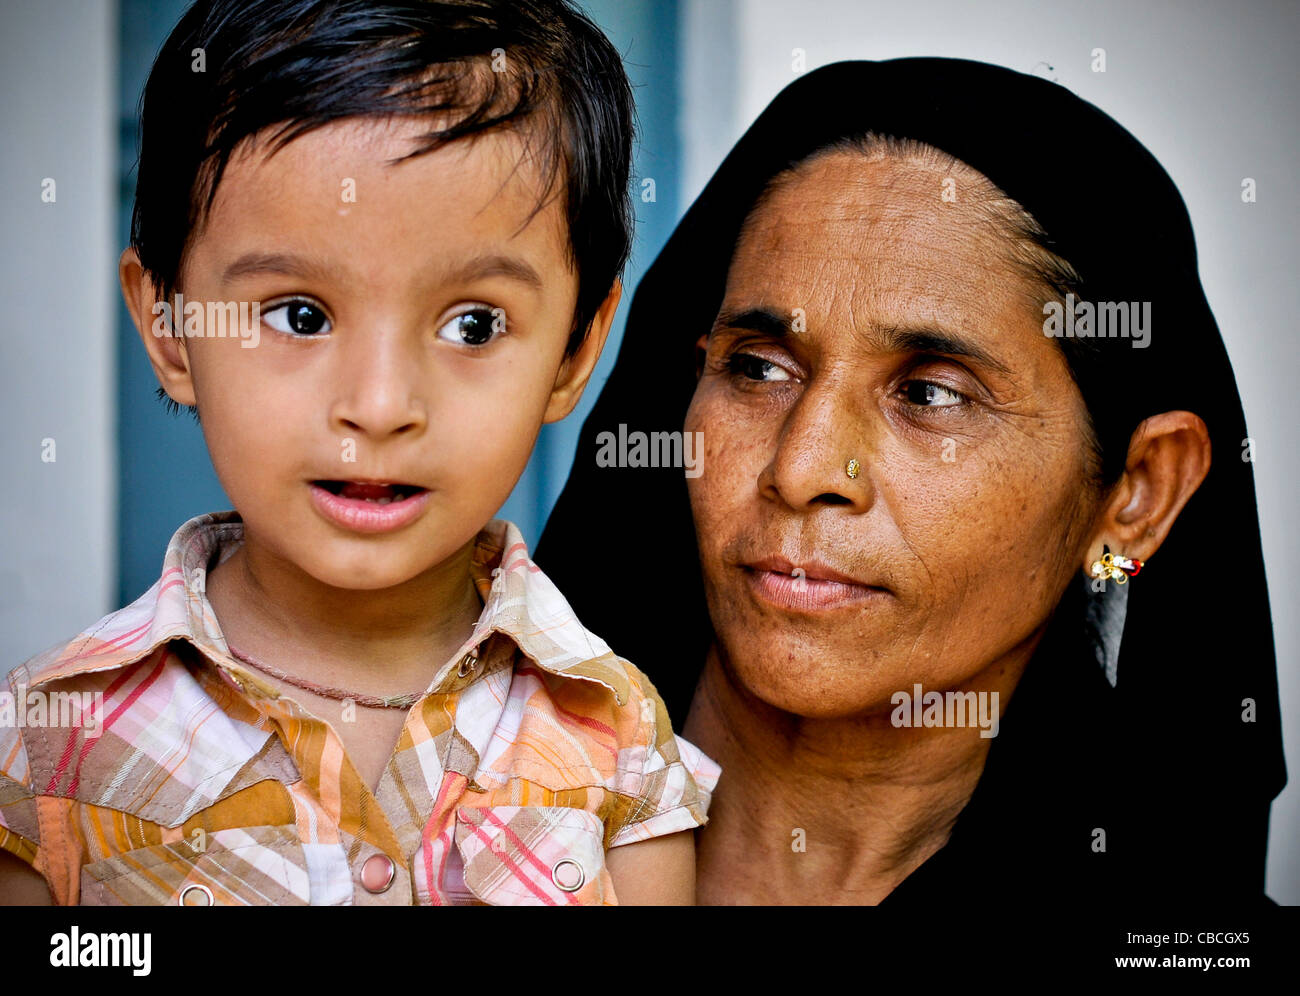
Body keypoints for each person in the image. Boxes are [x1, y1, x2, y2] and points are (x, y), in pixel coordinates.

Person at [0, 0, 718, 906]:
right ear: (171, 325)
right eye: (300, 315)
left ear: (577, 348)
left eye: (472, 324)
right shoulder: (50, 749)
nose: (380, 406)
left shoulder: (620, 747)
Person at [537, 58, 1286, 905]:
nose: (802, 468)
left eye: (929, 394)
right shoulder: (437, 809)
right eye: (756, 368)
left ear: (1138, 494)